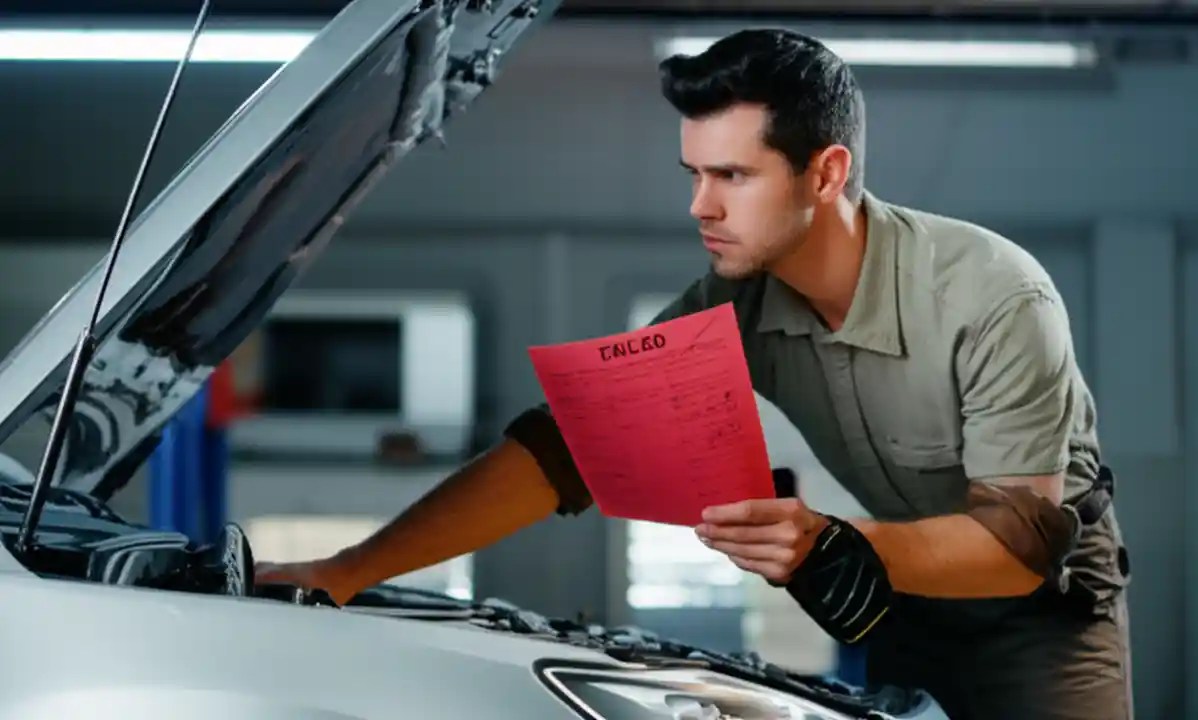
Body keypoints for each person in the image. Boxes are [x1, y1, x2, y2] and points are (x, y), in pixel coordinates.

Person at [256, 28, 1133, 720]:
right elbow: (566, 452)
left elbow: (1021, 545)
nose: (699, 206)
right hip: (895, 598)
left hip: (1041, 615)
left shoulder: (992, 292)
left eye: (733, 176)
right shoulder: (733, 303)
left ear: (826, 172)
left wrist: (833, 542)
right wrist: (348, 568)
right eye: (694, 174)